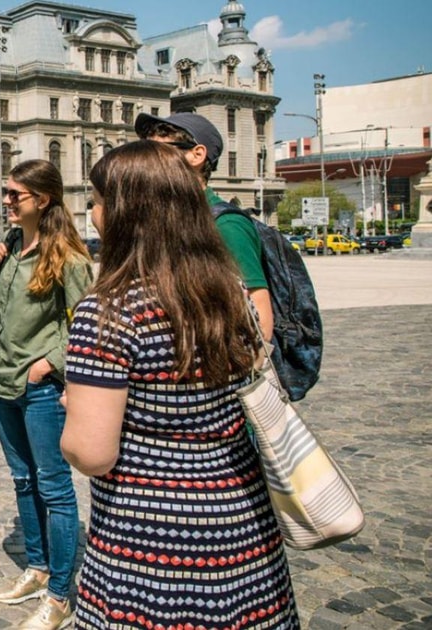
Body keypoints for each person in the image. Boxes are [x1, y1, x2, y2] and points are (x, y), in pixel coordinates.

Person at [61, 140, 299, 629]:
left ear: (127, 212)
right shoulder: (231, 294)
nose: (94, 213)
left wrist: (75, 406)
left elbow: (92, 453)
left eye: (98, 200)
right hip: (243, 532)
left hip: (149, 547)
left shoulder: (109, 312)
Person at [0, 160, 93, 630]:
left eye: (15, 195)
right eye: (6, 193)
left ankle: (60, 594)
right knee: (23, 480)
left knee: (54, 488)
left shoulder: (68, 256)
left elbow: (86, 325)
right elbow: (5, 311)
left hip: (40, 388)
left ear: (42, 200)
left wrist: (49, 364)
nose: (7, 201)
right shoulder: (11, 245)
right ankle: (37, 565)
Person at [135, 112, 273, 342]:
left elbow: (260, 322)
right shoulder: (162, 219)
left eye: (158, 152)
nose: (146, 161)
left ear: (197, 154)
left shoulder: (225, 224)